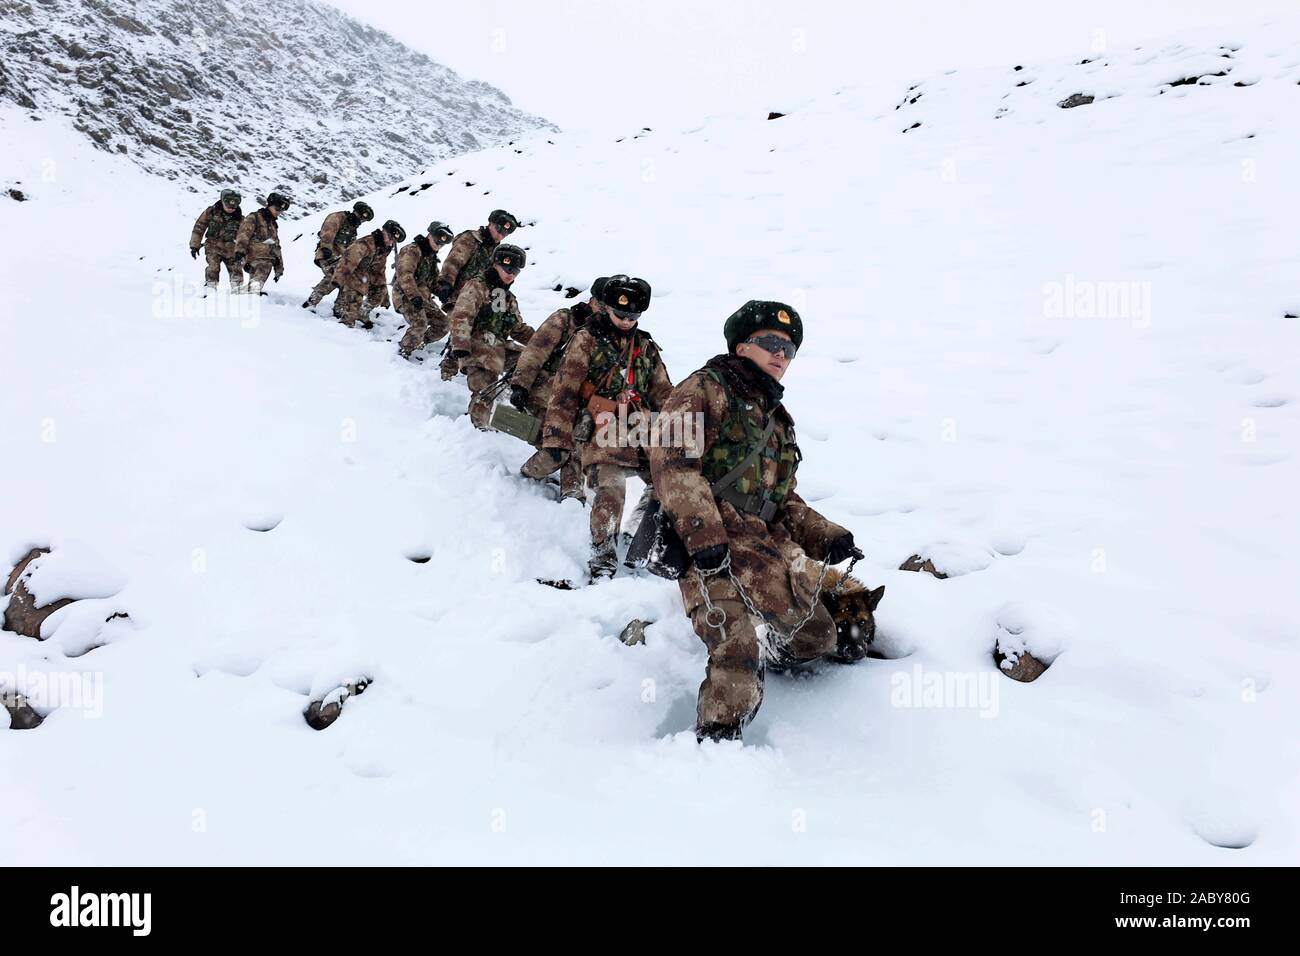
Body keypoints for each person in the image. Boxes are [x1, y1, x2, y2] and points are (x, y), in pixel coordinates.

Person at [647, 301, 867, 742]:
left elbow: (784, 499)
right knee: (735, 645)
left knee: (818, 635)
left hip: (766, 548)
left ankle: (772, 645)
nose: (781, 354)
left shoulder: (777, 420)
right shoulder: (704, 389)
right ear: (741, 345)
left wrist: (827, 535)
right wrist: (702, 536)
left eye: (789, 349)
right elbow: (673, 465)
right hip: (713, 546)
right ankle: (715, 743)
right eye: (770, 343)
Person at [538, 276, 672, 581]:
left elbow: (664, 393)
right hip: (600, 431)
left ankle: (636, 536)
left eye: (633, 317)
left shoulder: (646, 347)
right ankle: (603, 554)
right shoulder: (586, 339)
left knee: (667, 484)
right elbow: (565, 390)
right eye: (620, 315)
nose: (626, 321)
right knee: (611, 490)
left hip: (639, 431)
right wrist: (556, 436)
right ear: (607, 309)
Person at [513, 277, 606, 500]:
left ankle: (571, 491)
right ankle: (525, 477)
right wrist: (520, 384)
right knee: (559, 448)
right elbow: (535, 351)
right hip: (543, 391)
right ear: (592, 300)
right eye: (601, 305)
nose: (604, 312)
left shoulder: (602, 336)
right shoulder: (565, 319)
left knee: (579, 441)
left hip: (574, 402)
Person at [446, 243, 535, 429]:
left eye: (515, 271)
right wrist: (460, 345)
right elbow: (462, 314)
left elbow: (518, 329)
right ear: (495, 264)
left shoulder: (508, 298)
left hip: (500, 348)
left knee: (530, 363)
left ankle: (517, 410)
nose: (511, 274)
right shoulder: (478, 285)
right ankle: (478, 427)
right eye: (507, 268)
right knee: (483, 389)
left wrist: (544, 343)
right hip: (477, 347)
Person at [395, 221, 455, 358]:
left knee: (444, 324)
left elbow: (432, 283)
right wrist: (413, 296)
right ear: (429, 235)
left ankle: (420, 341)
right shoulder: (412, 250)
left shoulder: (431, 259)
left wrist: (441, 292)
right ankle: (405, 350)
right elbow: (405, 274)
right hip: (405, 294)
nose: (439, 244)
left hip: (422, 297)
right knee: (420, 323)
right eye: (437, 240)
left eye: (442, 243)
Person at [333, 219, 405, 328]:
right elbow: (347, 261)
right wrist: (338, 279)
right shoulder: (365, 243)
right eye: (390, 238)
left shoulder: (384, 248)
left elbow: (379, 269)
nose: (391, 242)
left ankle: (362, 312)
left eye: (393, 241)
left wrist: (383, 292)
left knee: (379, 291)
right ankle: (346, 325)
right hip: (353, 272)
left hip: (366, 275)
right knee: (354, 300)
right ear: (383, 231)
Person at [303, 201, 374, 308]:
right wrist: (326, 247)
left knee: (347, 279)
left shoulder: (353, 230)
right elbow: (327, 232)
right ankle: (312, 302)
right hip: (327, 254)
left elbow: (350, 248)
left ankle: (339, 308)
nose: (361, 221)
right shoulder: (338, 217)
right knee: (334, 276)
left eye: (363, 220)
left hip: (339, 260)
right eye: (361, 217)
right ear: (355, 212)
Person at [233, 191, 290, 295]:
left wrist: (279, 269)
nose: (278, 212)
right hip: (252, 255)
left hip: (264, 256)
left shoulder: (273, 225)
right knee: (265, 265)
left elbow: (276, 246)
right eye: (277, 209)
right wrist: (239, 251)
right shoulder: (254, 217)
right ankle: (250, 292)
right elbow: (243, 234)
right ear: (269, 206)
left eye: (281, 210)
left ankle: (248, 293)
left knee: (258, 274)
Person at [188, 188, 244, 291]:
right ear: (222, 201)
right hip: (213, 247)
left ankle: (238, 292)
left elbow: (245, 237)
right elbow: (199, 227)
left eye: (234, 206)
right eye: (228, 205)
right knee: (213, 268)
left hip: (231, 250)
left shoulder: (241, 219)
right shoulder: (211, 212)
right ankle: (210, 289)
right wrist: (194, 245)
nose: (231, 209)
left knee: (236, 271)